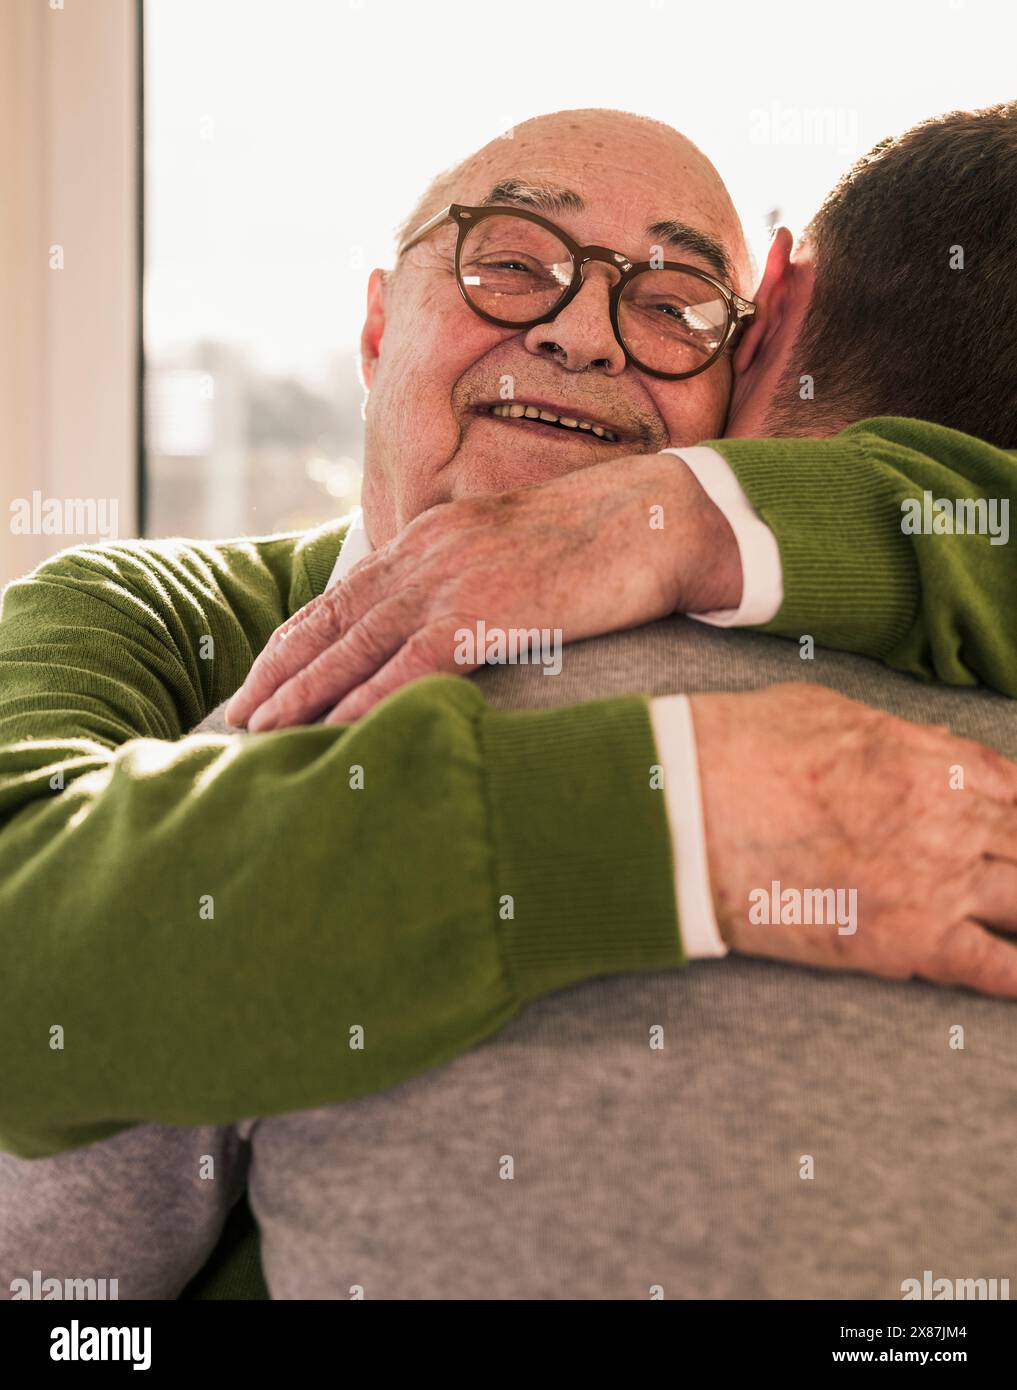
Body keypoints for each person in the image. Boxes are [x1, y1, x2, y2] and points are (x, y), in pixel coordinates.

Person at [2, 106, 1016, 1299]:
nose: (585, 335)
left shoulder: (826, 599)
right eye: (511, 263)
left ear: (747, 368)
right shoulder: (144, 613)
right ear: (380, 325)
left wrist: (692, 518)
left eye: (674, 303)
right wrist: (683, 813)